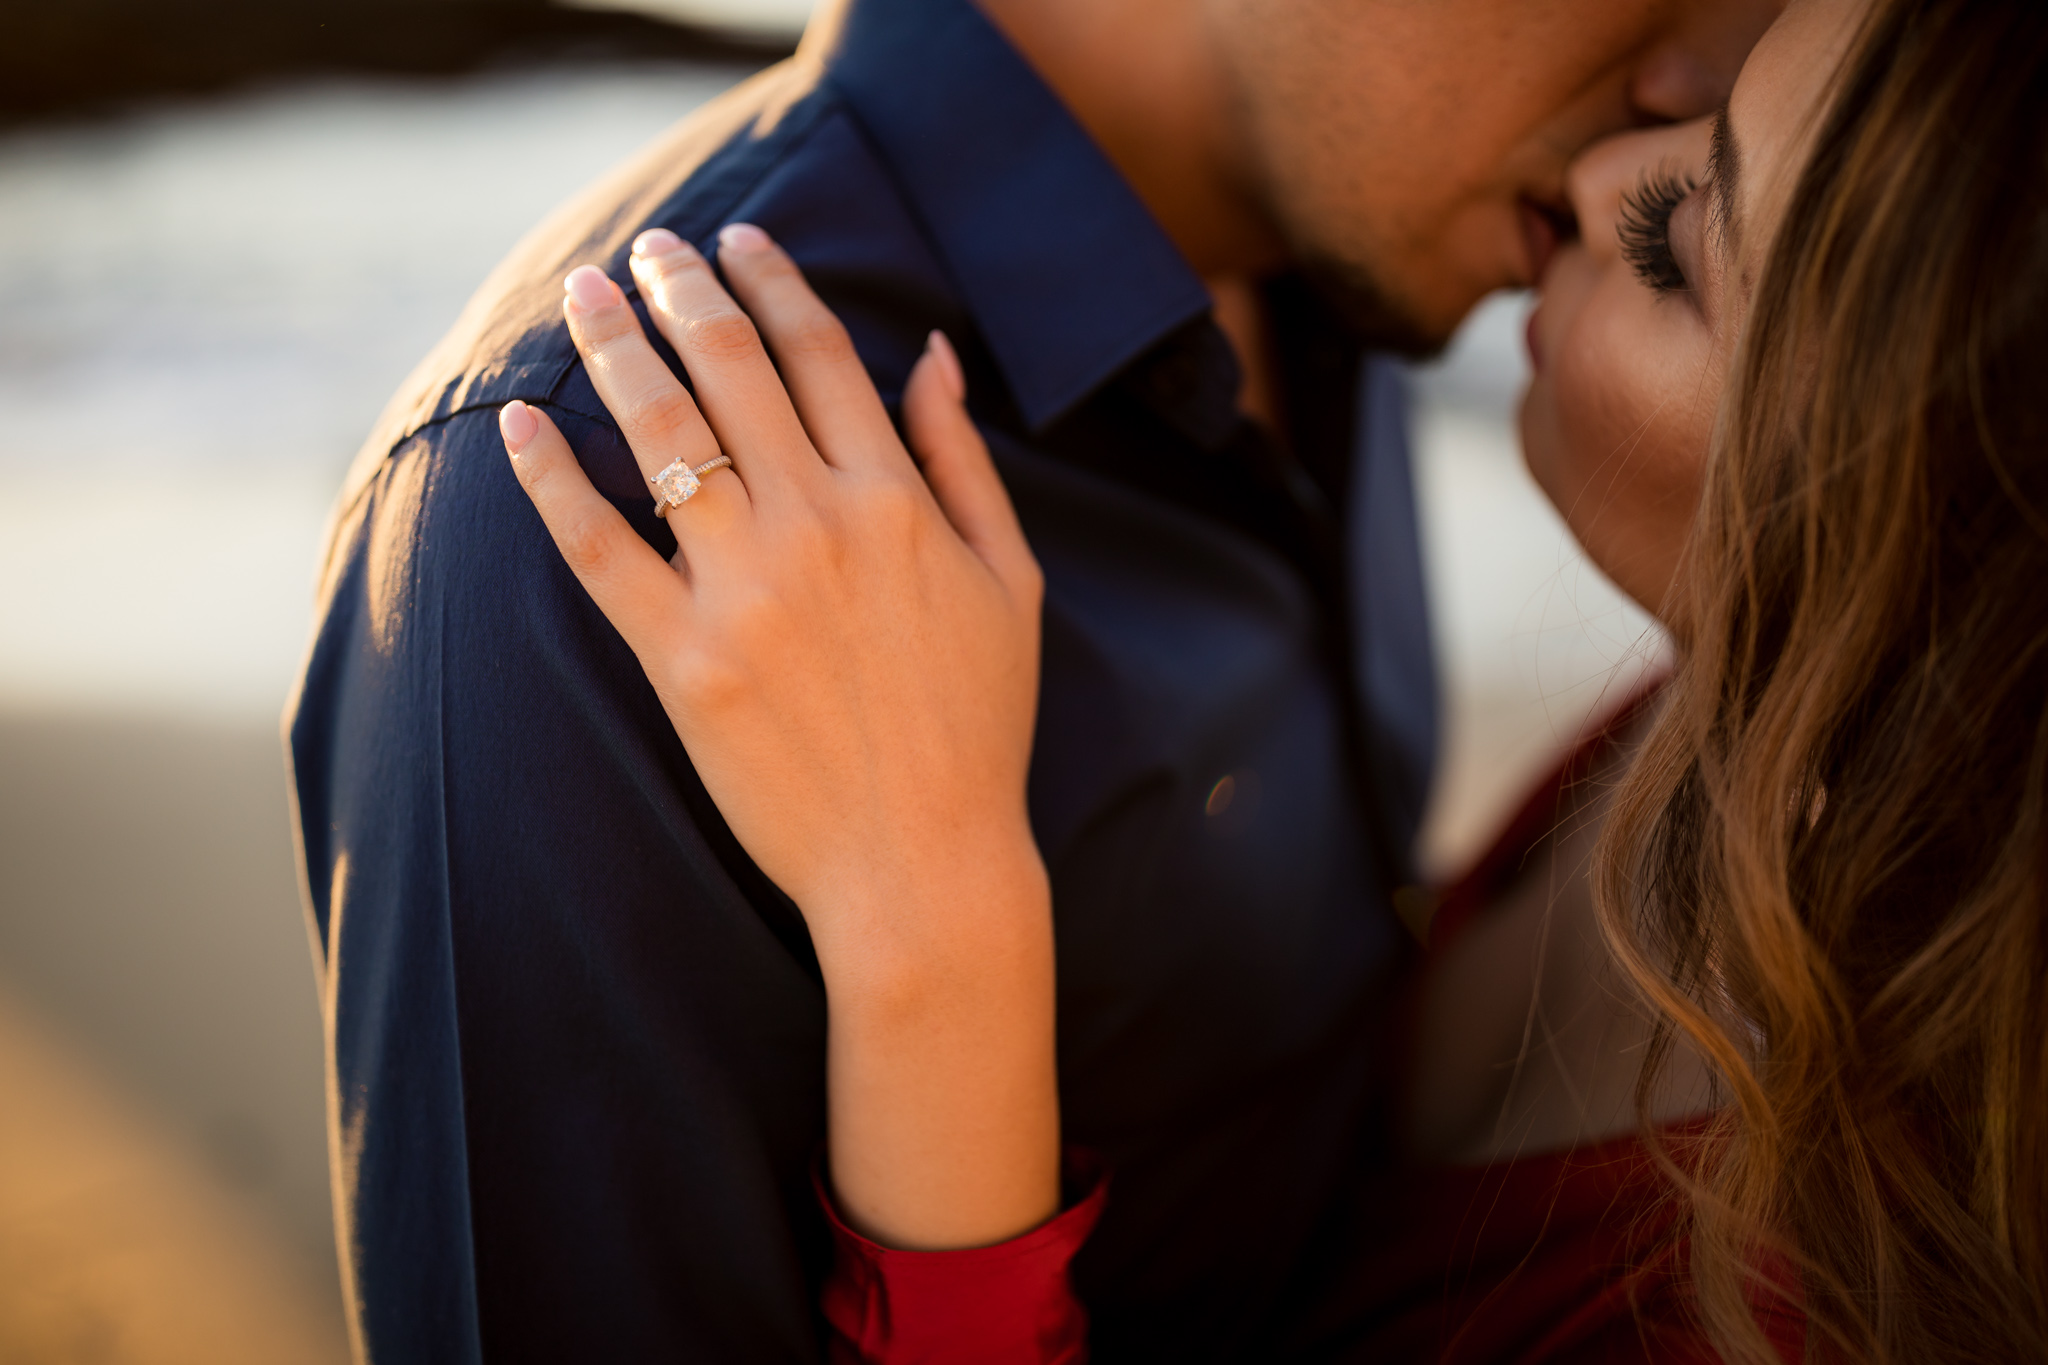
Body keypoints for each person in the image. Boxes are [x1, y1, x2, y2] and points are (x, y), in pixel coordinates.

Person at [502, 0, 2048, 1358]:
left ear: (1905, 533)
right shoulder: (1719, 737)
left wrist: (938, 928)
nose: (1596, 175)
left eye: (1674, 249)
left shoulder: (1800, 1304)